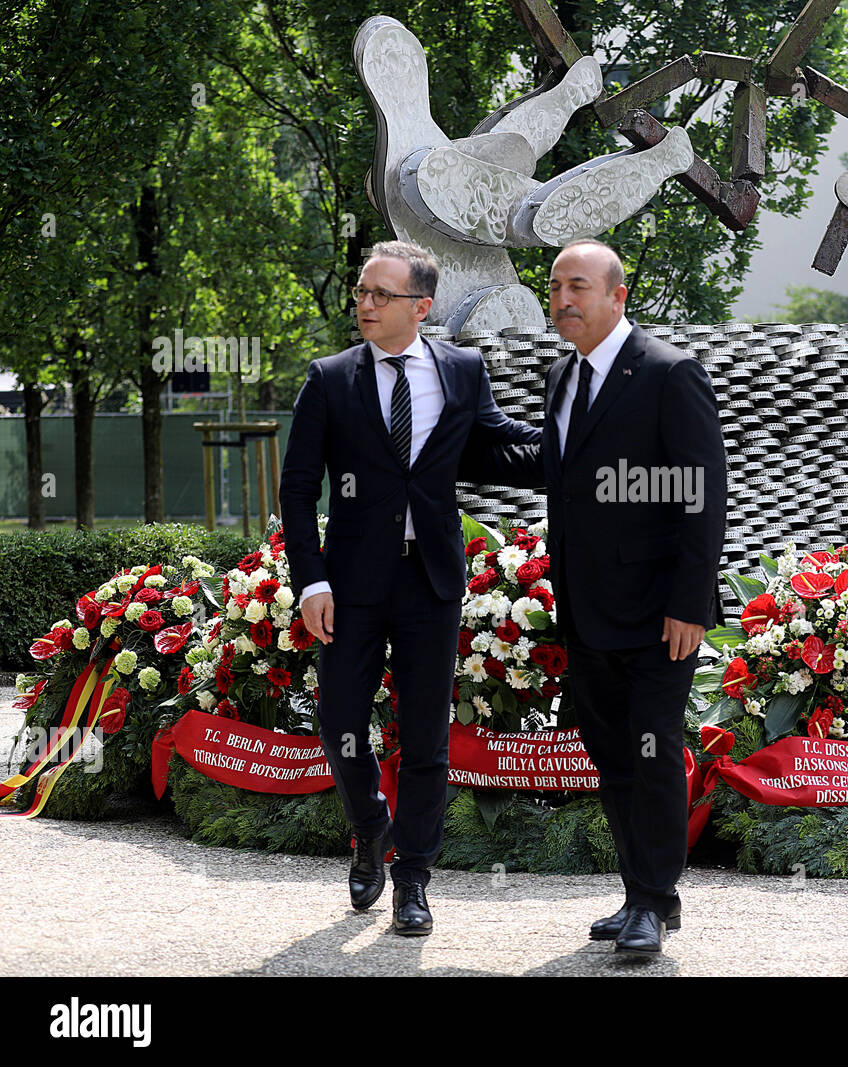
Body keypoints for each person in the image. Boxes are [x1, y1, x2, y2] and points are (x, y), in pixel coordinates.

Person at [474, 238, 727, 955]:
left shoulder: (670, 374)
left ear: (617, 296)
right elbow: (553, 464)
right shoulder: (563, 376)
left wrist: (687, 601)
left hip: (657, 614)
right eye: (555, 287)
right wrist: (447, 435)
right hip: (585, 608)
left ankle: (651, 899)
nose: (562, 300)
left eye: (577, 286)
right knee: (612, 754)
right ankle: (646, 891)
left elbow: (703, 496)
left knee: (651, 750)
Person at [279, 240, 540, 936]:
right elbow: (298, 490)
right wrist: (312, 580)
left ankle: (413, 879)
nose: (365, 303)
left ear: (421, 307)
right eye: (362, 292)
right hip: (352, 583)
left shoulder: (460, 369)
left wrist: (580, 447)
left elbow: (496, 443)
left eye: (380, 295)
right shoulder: (330, 379)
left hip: (430, 581)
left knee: (427, 737)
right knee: (339, 723)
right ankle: (370, 826)